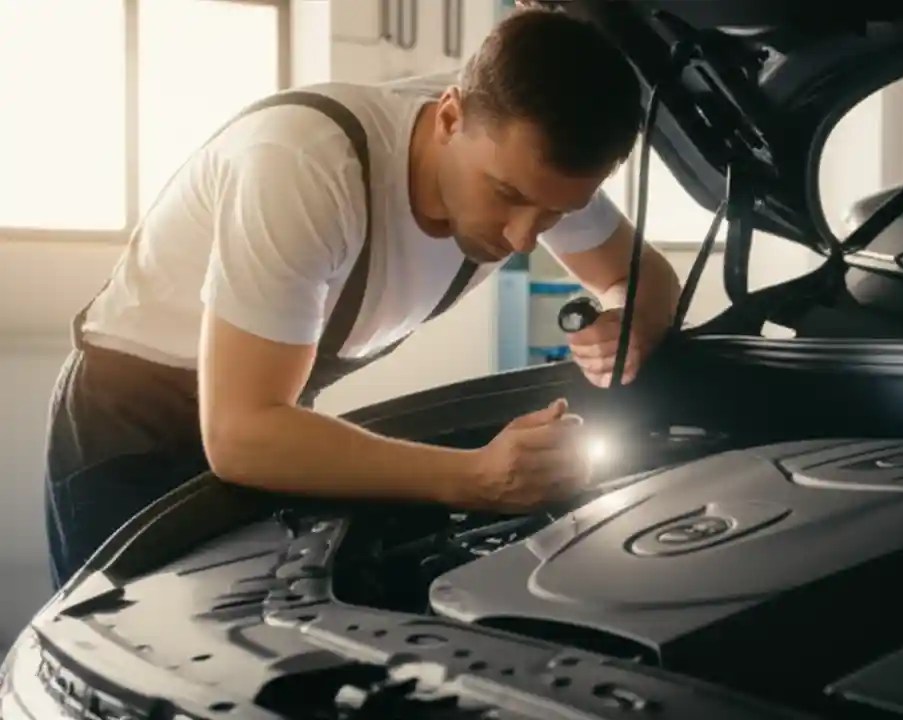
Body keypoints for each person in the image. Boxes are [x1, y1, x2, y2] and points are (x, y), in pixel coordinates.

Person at [43, 6, 681, 588]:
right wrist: (473, 477)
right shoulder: (306, 166)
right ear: (450, 115)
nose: (523, 238)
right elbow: (240, 435)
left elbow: (645, 279)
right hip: (133, 428)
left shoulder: (530, 160)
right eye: (507, 197)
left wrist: (628, 325)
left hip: (274, 416)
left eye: (555, 214)